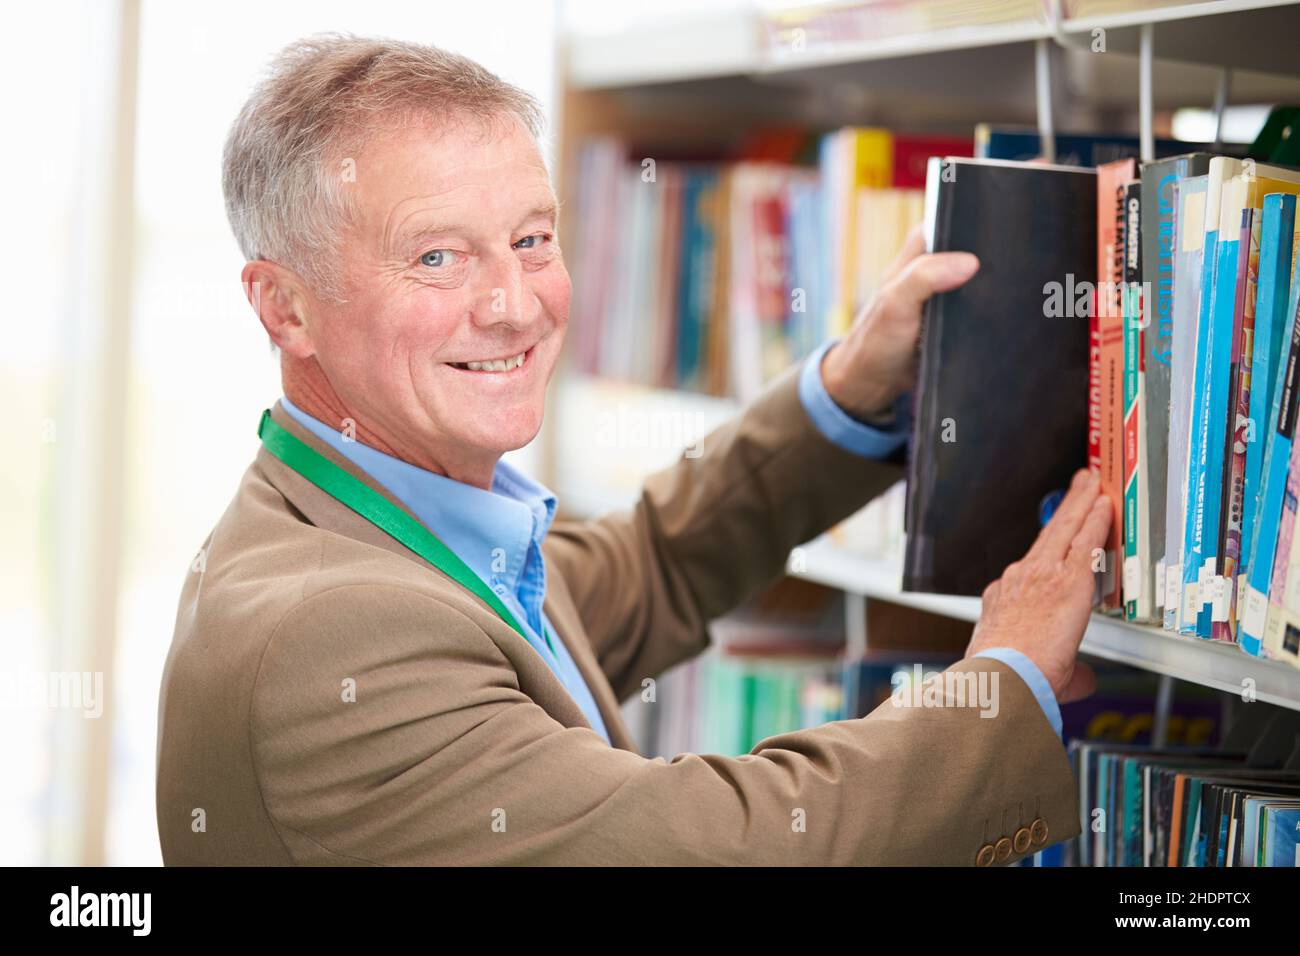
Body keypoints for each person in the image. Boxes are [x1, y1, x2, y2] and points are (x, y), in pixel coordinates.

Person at [156, 34, 1110, 866]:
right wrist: (1002, 686)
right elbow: (722, 849)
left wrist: (853, 384)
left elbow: (653, 564)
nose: (514, 305)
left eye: (531, 239)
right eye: (437, 258)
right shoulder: (334, 635)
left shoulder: (390, 518)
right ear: (286, 308)